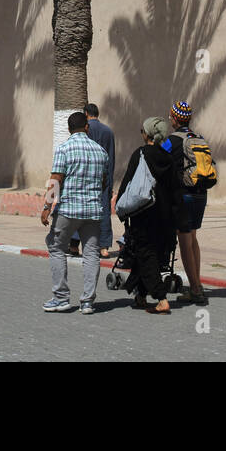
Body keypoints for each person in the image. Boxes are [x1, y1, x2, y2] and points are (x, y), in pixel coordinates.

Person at [41, 111, 109, 315]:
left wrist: (46, 207)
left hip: (69, 210)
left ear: (69, 129)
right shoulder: (100, 151)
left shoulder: (64, 149)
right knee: (91, 254)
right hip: (93, 211)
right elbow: (104, 182)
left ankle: (61, 298)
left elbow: (55, 180)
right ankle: (87, 302)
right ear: (87, 127)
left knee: (56, 247)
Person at [117, 117, 184, 313]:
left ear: (147, 134)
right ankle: (140, 295)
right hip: (164, 217)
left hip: (143, 214)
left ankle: (161, 298)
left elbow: (128, 183)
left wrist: (121, 206)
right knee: (147, 253)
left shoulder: (140, 154)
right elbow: (175, 190)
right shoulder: (168, 158)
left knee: (146, 254)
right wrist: (178, 216)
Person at [163, 100, 208, 306]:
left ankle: (196, 289)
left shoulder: (172, 140)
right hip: (201, 194)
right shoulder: (198, 138)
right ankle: (195, 284)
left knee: (184, 240)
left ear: (174, 118)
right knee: (193, 239)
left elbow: (159, 158)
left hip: (184, 195)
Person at [84, 103, 116, 259]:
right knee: (104, 210)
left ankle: (74, 244)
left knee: (82, 209)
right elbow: (111, 159)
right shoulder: (108, 132)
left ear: (86, 114)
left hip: (86, 178)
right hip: (103, 178)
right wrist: (109, 183)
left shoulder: (84, 130)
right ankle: (104, 248)